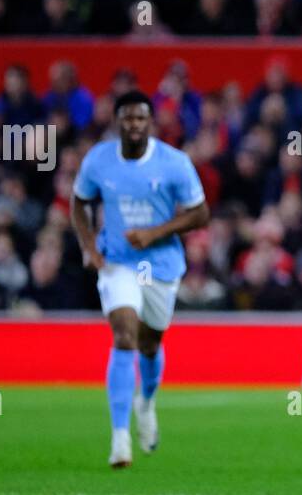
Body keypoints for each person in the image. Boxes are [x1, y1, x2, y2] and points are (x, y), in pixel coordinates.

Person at [70, 91, 210, 468]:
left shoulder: (174, 163)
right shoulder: (99, 160)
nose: (134, 125)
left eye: (141, 118)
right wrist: (88, 246)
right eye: (128, 118)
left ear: (150, 122)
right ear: (117, 121)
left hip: (161, 265)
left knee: (150, 343)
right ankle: (119, 439)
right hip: (117, 262)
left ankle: (145, 402)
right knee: (124, 334)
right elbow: (78, 201)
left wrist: (155, 233)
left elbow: (200, 214)